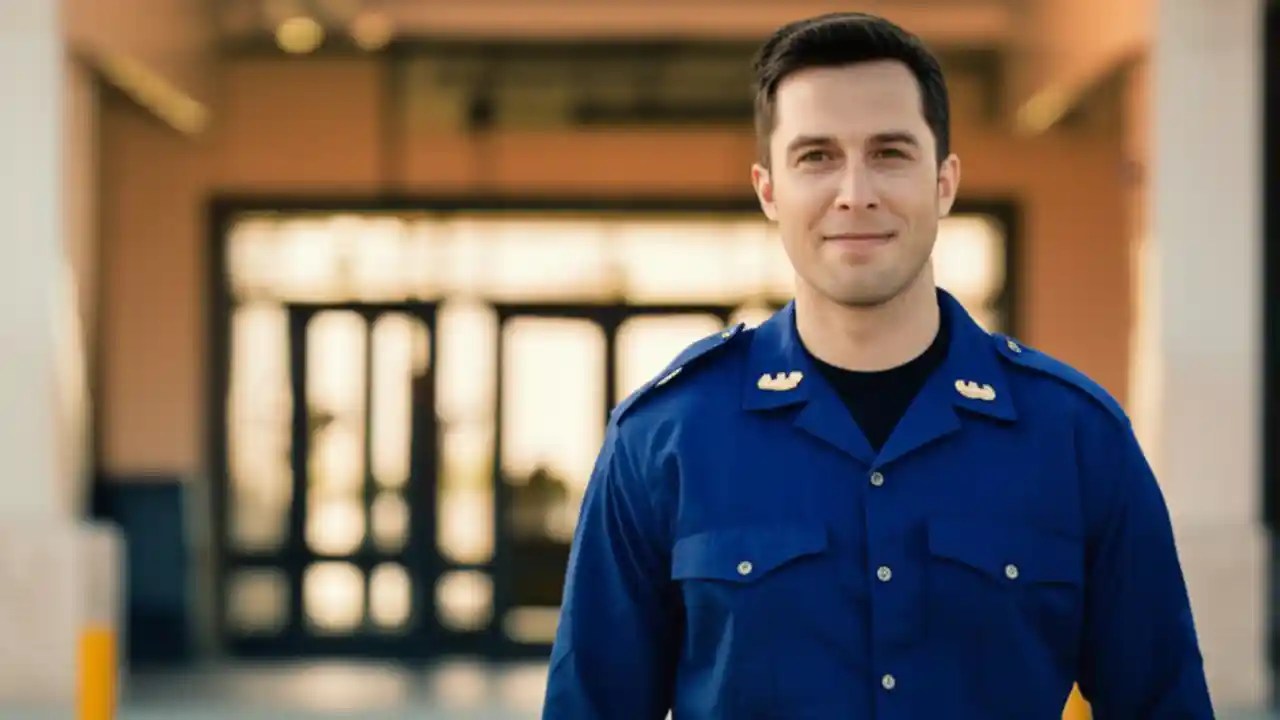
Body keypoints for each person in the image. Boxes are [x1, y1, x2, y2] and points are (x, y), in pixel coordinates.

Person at [541, 11, 1213, 719]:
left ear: (944, 182)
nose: (855, 192)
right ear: (769, 189)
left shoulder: (1077, 438)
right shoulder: (663, 440)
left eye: (890, 153)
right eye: (816, 157)